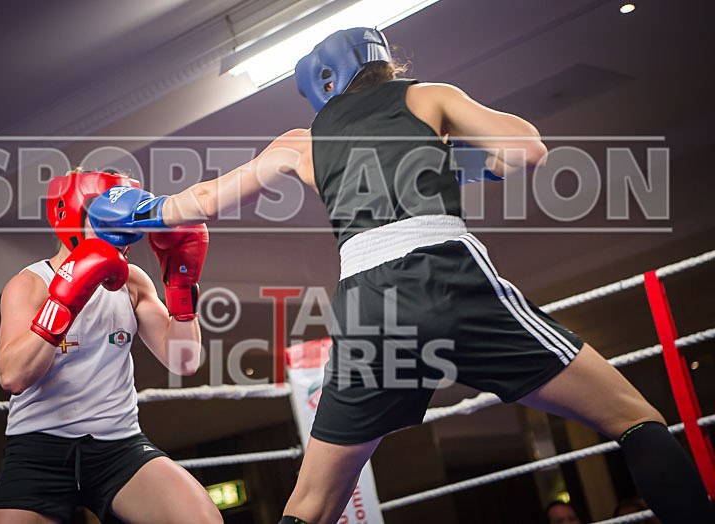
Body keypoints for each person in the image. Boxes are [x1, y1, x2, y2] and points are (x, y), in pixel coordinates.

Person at [88, 28, 715, 524]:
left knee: (311, 506)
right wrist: (464, 163)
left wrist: (138, 215)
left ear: (321, 85)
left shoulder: (298, 142)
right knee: (635, 418)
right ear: (381, 60)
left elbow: (202, 202)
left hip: (367, 305)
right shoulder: (425, 95)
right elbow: (528, 150)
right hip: (451, 274)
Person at [0, 168, 222, 524]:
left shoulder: (133, 282)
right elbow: (12, 376)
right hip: (39, 449)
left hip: (118, 446)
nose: (122, 228)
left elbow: (184, 361)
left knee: (201, 520)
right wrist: (63, 302)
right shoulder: (31, 285)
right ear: (72, 215)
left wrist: (182, 287)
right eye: (109, 215)